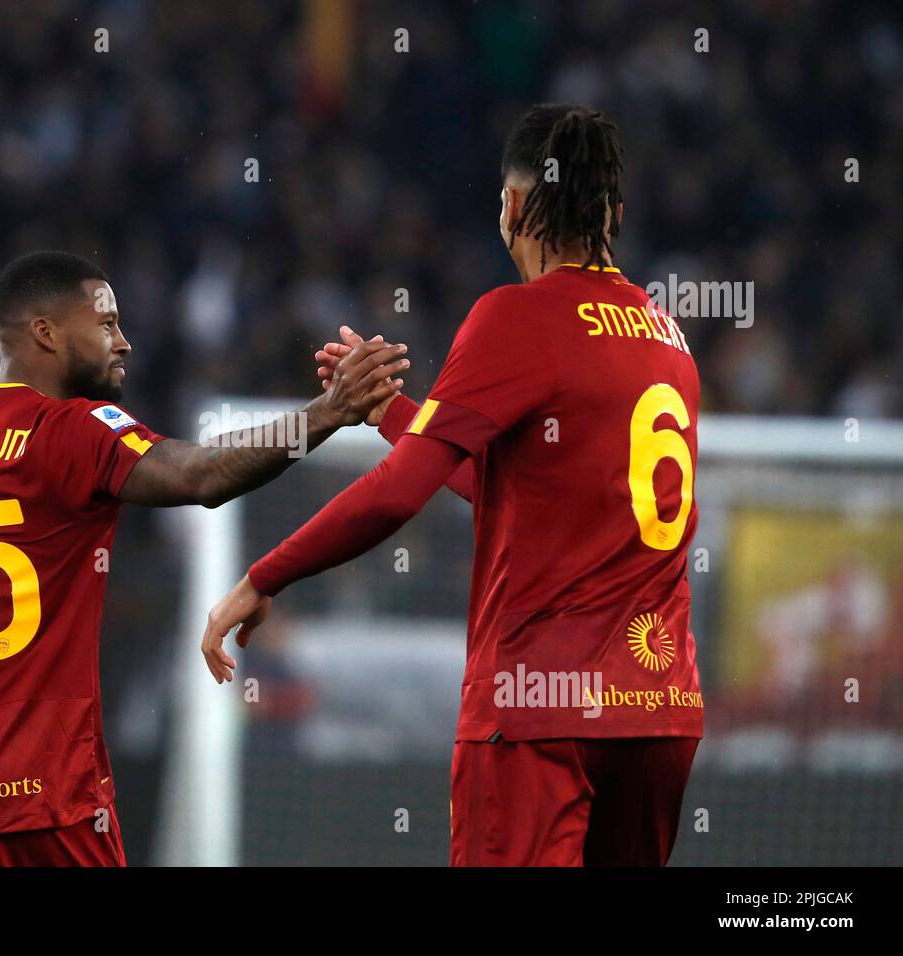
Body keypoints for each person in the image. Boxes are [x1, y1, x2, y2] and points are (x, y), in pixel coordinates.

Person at [202, 104, 704, 866]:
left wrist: (264, 576)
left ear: (511, 208)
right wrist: (397, 416)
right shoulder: (669, 339)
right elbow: (526, 488)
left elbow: (397, 494)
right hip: (659, 711)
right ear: (616, 215)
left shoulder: (516, 318)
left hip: (539, 711)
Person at [0, 250, 409, 866]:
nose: (124, 342)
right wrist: (328, 411)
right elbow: (202, 475)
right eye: (106, 324)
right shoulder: (70, 428)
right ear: (46, 333)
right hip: (40, 804)